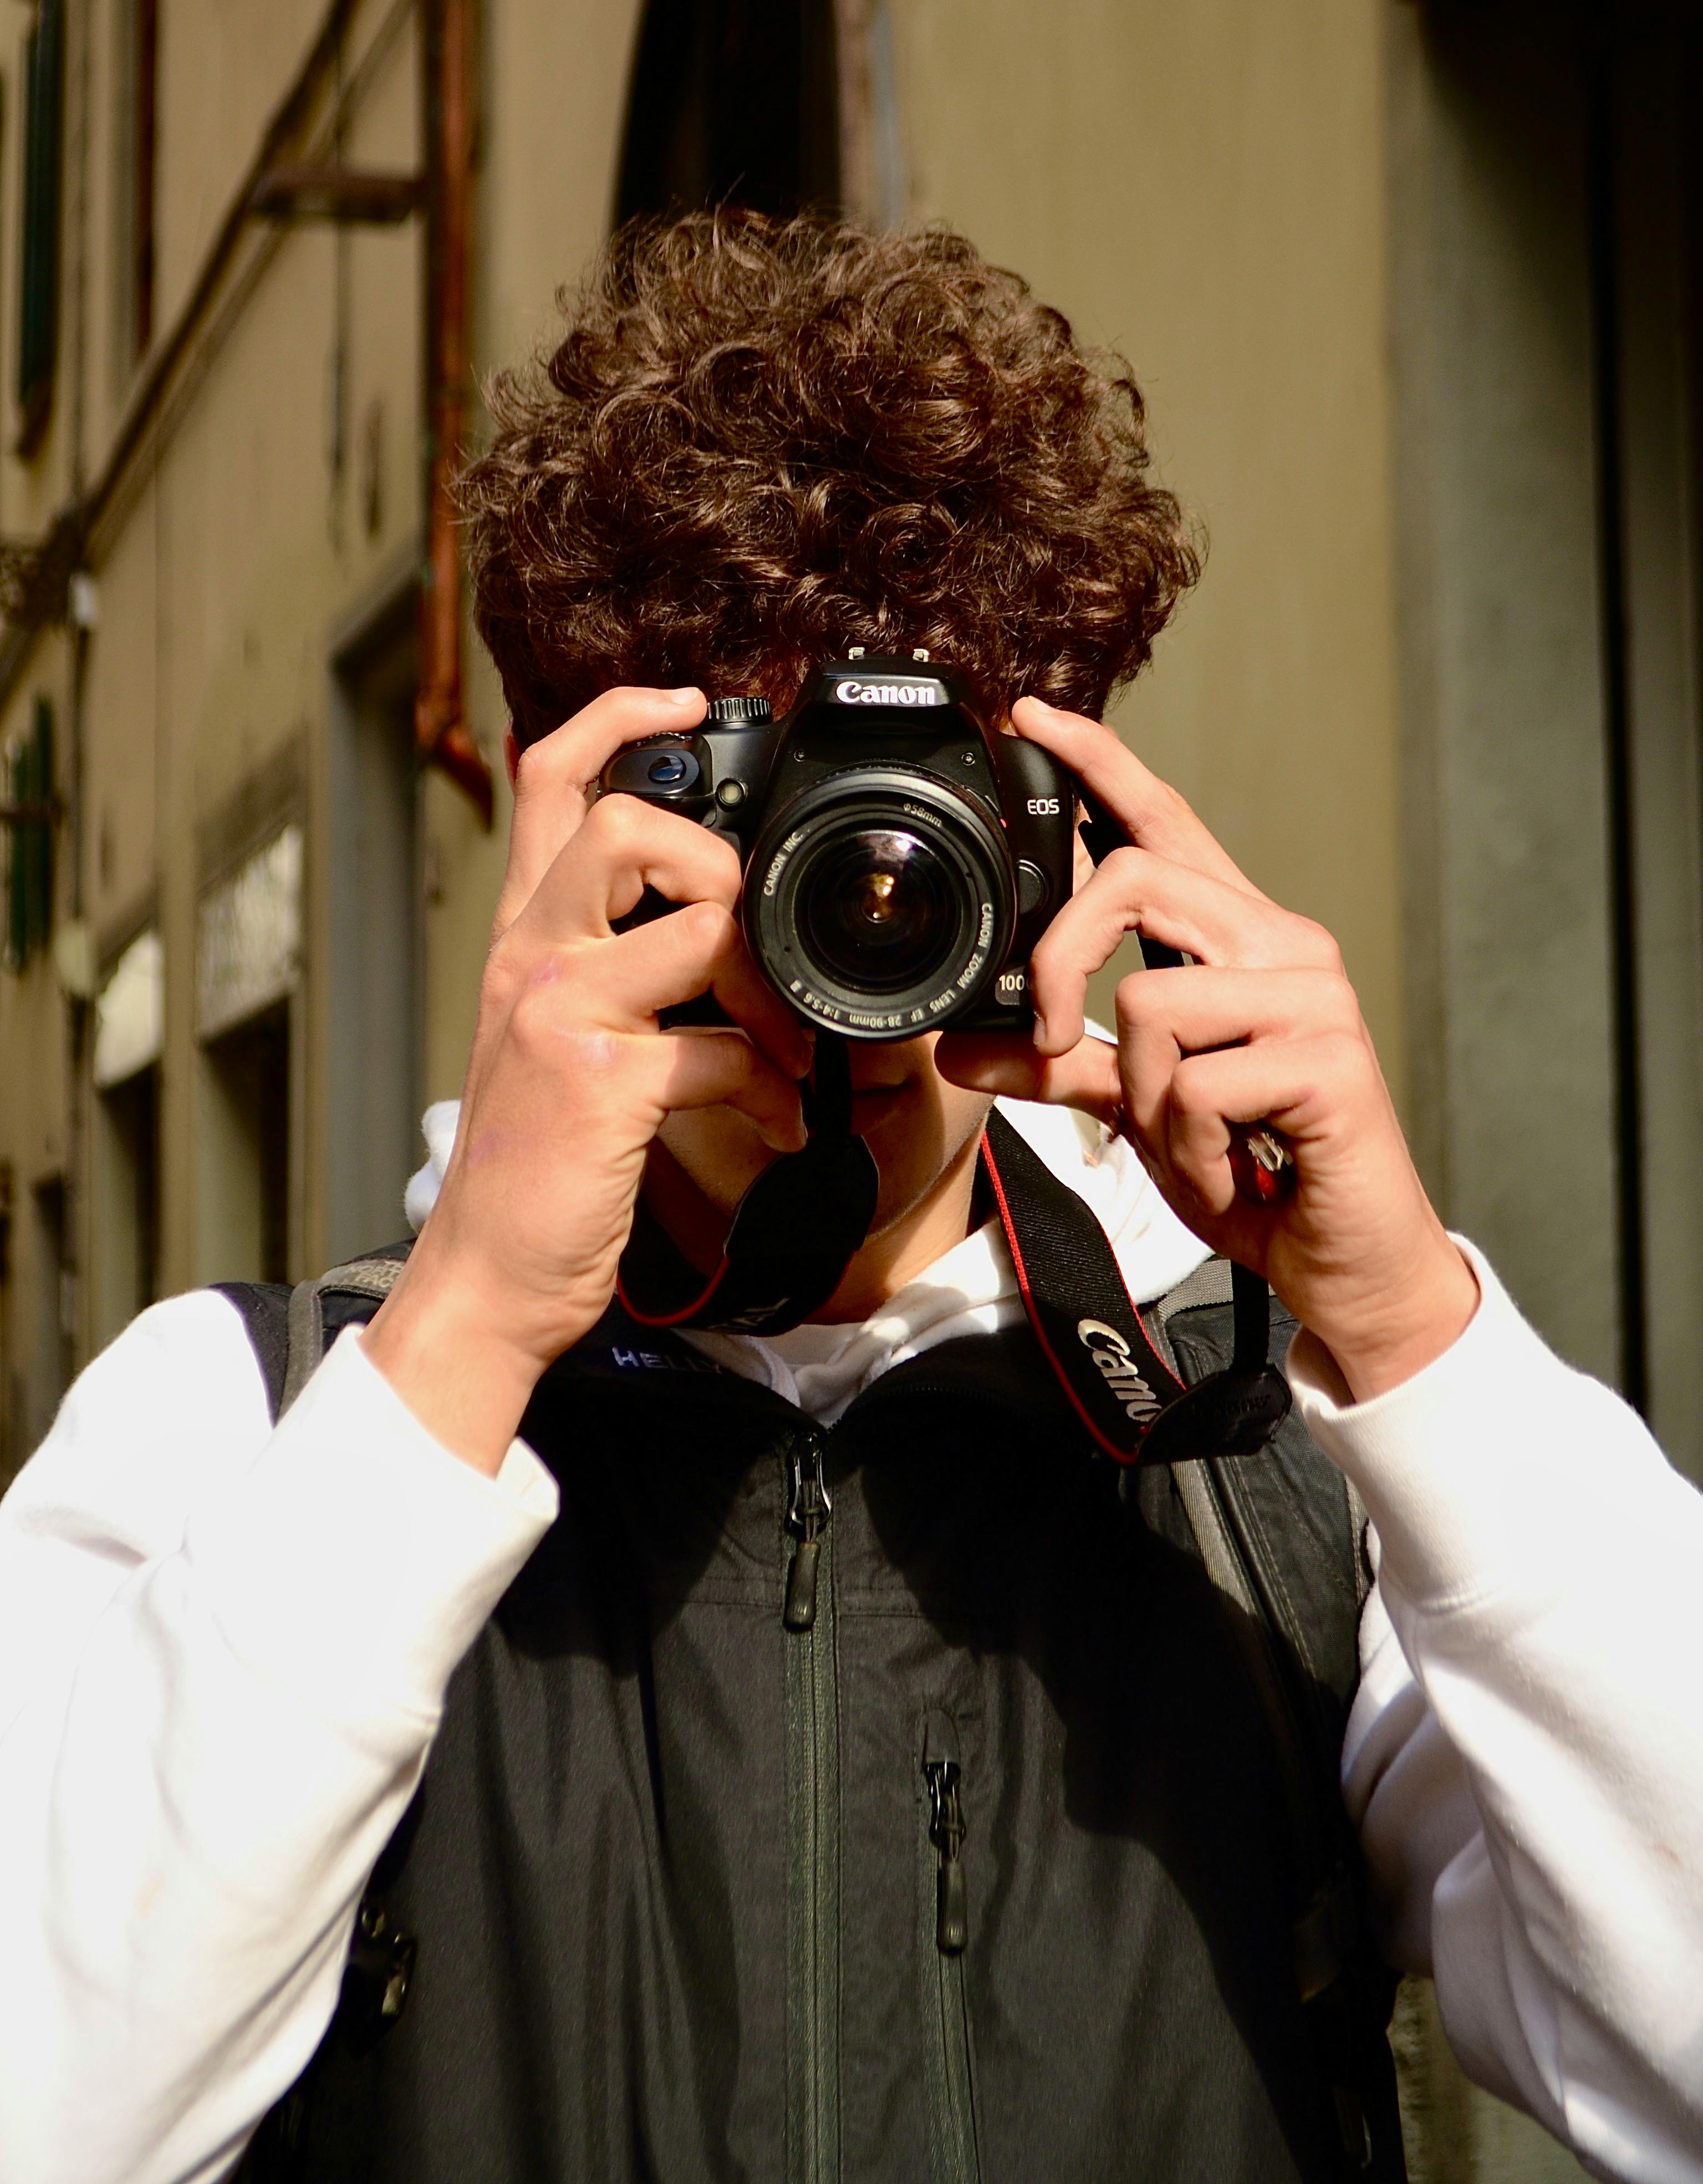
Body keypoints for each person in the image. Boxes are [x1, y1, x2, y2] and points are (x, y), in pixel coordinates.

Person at [0, 213, 1699, 2184]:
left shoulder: (1273, 1489)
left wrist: (1413, 1338)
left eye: (927, 824)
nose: (857, 902)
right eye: (767, 804)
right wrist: (455, 1341)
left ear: (1051, 846)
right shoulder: (248, 1432)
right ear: (572, 819)